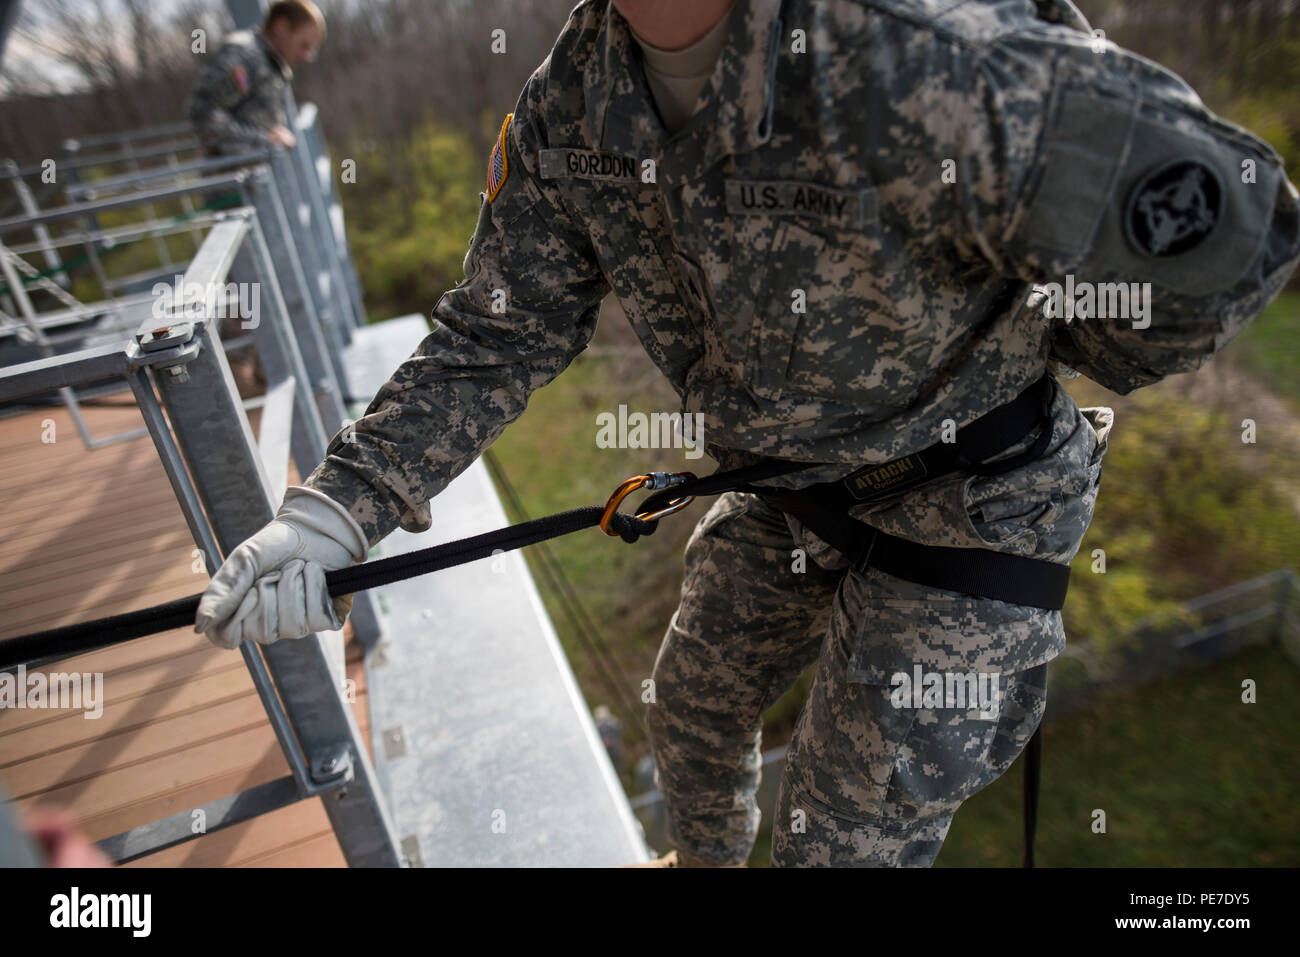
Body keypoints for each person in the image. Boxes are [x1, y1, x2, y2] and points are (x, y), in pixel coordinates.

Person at [193, 0, 1300, 867]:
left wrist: (1075, 355)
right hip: (790, 488)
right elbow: (500, 327)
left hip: (976, 498)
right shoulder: (573, 102)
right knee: (690, 708)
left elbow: (1238, 228)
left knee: (835, 840)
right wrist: (336, 511)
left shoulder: (926, 58)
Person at [187, 0, 326, 157]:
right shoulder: (243, 55)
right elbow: (202, 113)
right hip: (233, 177)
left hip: (251, 176)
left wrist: (270, 132)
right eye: (304, 45)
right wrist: (265, 140)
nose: (306, 56)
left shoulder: (268, 60)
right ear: (281, 28)